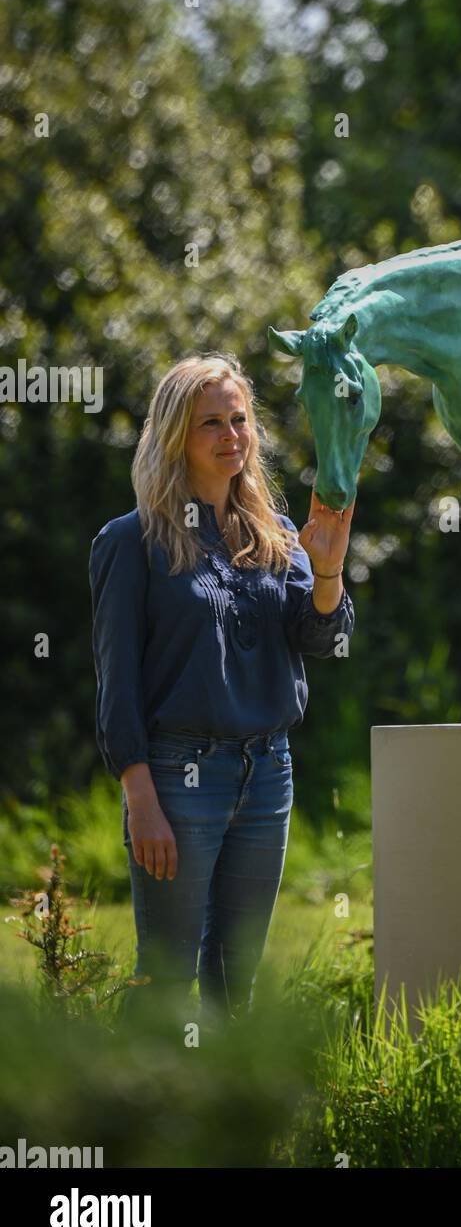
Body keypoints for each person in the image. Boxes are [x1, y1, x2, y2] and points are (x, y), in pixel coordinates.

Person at [88, 351, 355, 1025]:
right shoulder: (133, 541)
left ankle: (230, 1129)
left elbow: (321, 641)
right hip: (180, 780)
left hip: (269, 775)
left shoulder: (278, 535)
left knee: (236, 984)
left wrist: (326, 574)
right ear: (177, 433)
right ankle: (137, 1123)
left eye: (239, 420)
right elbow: (116, 685)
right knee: (167, 977)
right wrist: (140, 798)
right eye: (212, 423)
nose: (231, 436)